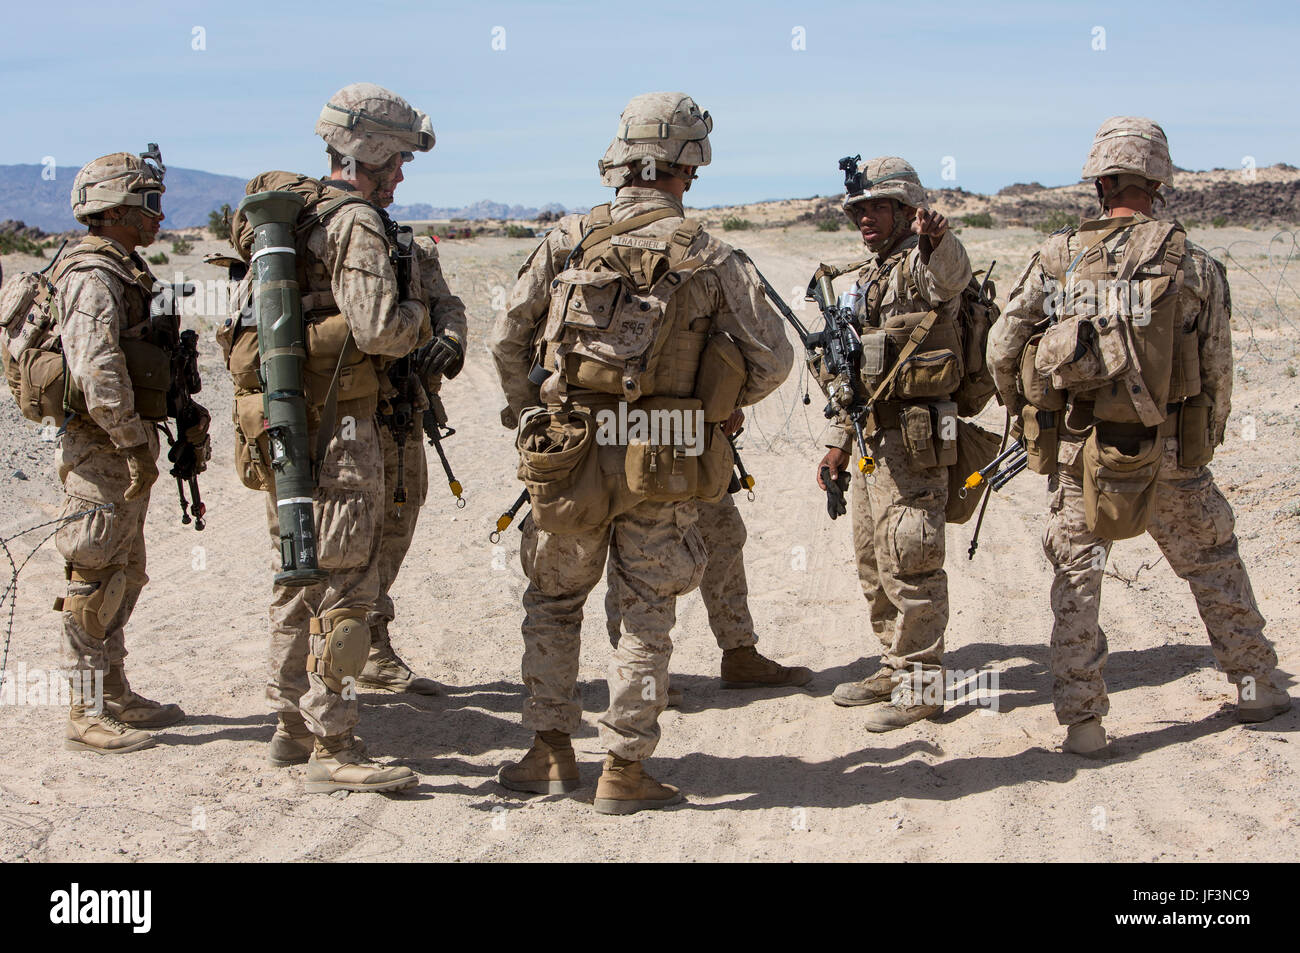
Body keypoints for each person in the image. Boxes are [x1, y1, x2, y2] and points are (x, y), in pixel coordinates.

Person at [489, 92, 793, 813]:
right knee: (647, 612)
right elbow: (774, 359)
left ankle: (550, 751)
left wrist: (534, 417)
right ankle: (623, 771)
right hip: (666, 451)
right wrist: (714, 409)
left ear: (620, 163)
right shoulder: (710, 252)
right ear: (688, 166)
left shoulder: (567, 239)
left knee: (555, 600)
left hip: (570, 453)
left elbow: (506, 337)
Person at [987, 116, 1292, 756]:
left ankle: (1085, 723)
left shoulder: (1056, 257)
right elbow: (1217, 370)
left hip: (1082, 448)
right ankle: (1256, 686)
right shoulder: (1196, 264)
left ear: (1100, 180)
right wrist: (1201, 442)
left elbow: (1000, 346)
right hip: (1172, 446)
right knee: (1212, 563)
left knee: (1078, 578)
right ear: (1158, 180)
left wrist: (1025, 412)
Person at [230, 83, 433, 791]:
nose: (402, 174)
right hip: (343, 431)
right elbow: (379, 328)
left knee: (299, 572)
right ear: (372, 149)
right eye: (398, 159)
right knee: (349, 585)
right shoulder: (355, 222)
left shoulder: (291, 223)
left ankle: (289, 726)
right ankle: (334, 747)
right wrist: (424, 316)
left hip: (287, 425)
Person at [56, 147, 210, 753]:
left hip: (124, 445)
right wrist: (128, 443)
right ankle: (85, 709)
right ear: (112, 207)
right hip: (101, 450)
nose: (159, 218)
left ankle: (114, 691)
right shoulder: (91, 275)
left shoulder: (124, 269)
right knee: (92, 576)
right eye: (149, 204)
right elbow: (98, 371)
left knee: (126, 572)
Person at [816, 157, 974, 731]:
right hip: (870, 439)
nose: (864, 219)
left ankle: (923, 685)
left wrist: (940, 239)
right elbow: (851, 374)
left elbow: (949, 278)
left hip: (918, 439)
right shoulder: (870, 274)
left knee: (912, 559)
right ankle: (893, 665)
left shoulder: (921, 263)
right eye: (858, 211)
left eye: (876, 208)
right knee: (873, 560)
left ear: (907, 211)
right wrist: (836, 440)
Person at [604, 408, 811, 698]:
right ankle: (640, 673)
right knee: (641, 552)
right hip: (632, 440)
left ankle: (740, 653)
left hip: (694, 437)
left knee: (724, 533)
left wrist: (730, 401)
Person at [360, 217, 468, 694]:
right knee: (348, 533)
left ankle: (369, 645)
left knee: (397, 522)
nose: (399, 172)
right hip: (347, 413)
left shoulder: (412, 249)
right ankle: (340, 644)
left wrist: (450, 339)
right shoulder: (332, 244)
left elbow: (449, 305)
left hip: (403, 408)